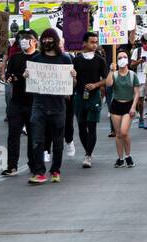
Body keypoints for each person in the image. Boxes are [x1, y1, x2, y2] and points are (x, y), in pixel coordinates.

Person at [28, 29, 75, 185]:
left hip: (58, 106)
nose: (47, 42)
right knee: (37, 140)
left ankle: (55, 170)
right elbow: (30, 81)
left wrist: (73, 78)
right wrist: (27, 76)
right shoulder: (36, 59)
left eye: (50, 39)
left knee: (58, 142)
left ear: (55, 41)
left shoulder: (65, 59)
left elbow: (71, 86)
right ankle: (39, 172)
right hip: (39, 105)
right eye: (45, 39)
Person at [0, 31, 35, 175]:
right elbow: (9, 73)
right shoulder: (15, 58)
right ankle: (11, 165)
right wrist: (10, 77)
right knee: (13, 133)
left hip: (34, 102)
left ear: (35, 41)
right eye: (22, 39)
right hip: (17, 101)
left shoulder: (39, 58)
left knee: (33, 134)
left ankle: (33, 163)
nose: (25, 42)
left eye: (28, 39)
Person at [71, 32, 108, 167]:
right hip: (80, 96)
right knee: (81, 127)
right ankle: (88, 150)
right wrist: (74, 78)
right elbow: (72, 82)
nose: (94, 45)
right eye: (92, 42)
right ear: (84, 43)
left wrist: (95, 85)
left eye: (96, 42)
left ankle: (88, 155)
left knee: (92, 126)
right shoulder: (76, 60)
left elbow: (106, 80)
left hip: (94, 97)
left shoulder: (100, 60)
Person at [107, 48, 139, 167]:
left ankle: (128, 156)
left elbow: (136, 93)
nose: (122, 59)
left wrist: (133, 107)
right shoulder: (114, 74)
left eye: (124, 57)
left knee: (124, 132)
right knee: (118, 134)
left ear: (128, 59)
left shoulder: (132, 75)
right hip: (116, 105)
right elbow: (108, 84)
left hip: (128, 105)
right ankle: (120, 158)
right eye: (119, 58)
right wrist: (111, 70)